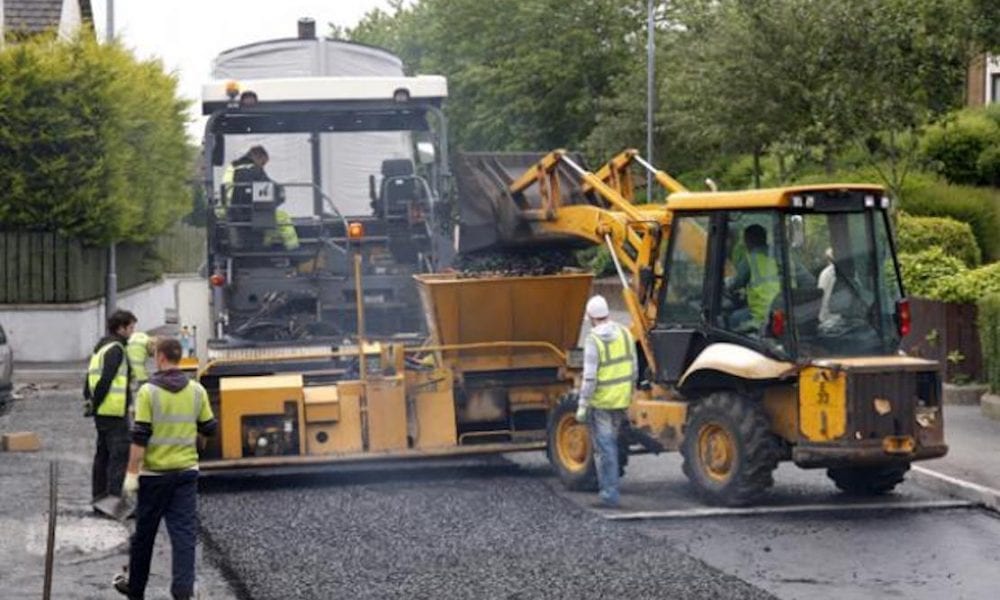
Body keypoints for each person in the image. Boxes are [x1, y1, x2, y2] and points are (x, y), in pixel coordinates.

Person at [113, 337, 217, 600]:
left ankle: (135, 590)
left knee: (144, 535)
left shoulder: (148, 392)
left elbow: (140, 437)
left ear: (159, 357)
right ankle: (182, 592)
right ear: (179, 358)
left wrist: (131, 474)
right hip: (186, 474)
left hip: (154, 476)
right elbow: (209, 428)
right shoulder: (196, 391)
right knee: (183, 536)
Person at [574, 295, 636, 509]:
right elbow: (634, 367)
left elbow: (589, 377)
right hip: (621, 400)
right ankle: (610, 488)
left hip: (601, 402)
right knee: (612, 444)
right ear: (607, 313)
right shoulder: (625, 333)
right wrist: (630, 393)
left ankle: (609, 493)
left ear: (591, 317)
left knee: (604, 447)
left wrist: (582, 404)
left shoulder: (593, 340)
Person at [86, 309, 137, 508]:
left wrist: (91, 404)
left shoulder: (102, 347)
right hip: (113, 412)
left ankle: (99, 498)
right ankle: (115, 504)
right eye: (131, 327)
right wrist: (97, 402)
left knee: (103, 456)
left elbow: (89, 377)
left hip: (103, 413)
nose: (132, 332)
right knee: (119, 457)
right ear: (121, 328)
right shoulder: (116, 349)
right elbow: (106, 379)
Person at [726, 224, 781, 330]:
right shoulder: (781, 257)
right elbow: (808, 280)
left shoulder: (751, 259)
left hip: (762, 314)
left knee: (734, 318)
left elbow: (735, 284)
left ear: (748, 241)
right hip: (784, 310)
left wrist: (727, 285)